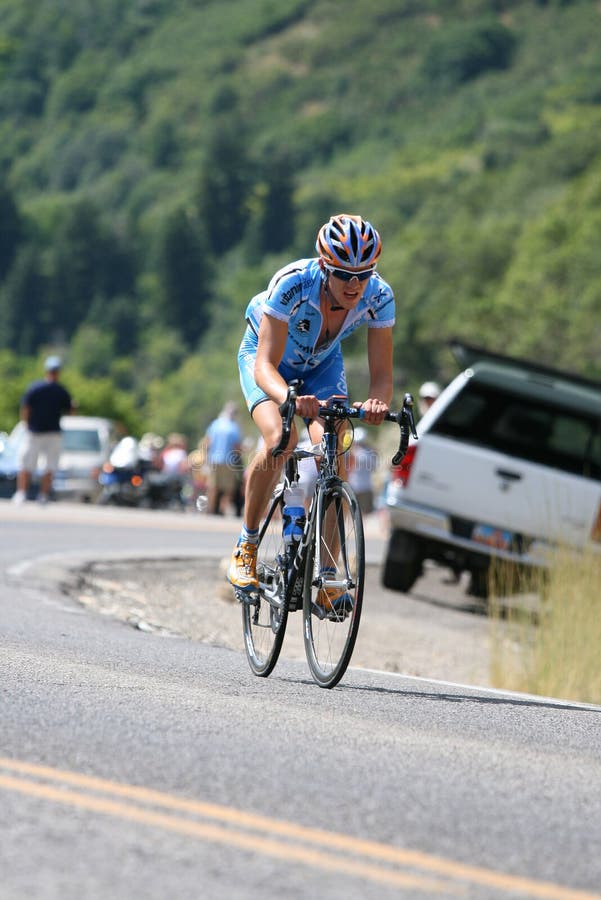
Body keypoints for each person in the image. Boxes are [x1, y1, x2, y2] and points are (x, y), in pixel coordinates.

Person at [228, 213, 395, 616]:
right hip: (268, 362)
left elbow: (383, 376)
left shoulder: (379, 295)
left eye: (364, 273)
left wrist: (376, 402)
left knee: (337, 451)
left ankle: (327, 574)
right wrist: (289, 396)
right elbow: (265, 365)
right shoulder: (292, 284)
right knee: (280, 440)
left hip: (320, 363)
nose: (355, 285)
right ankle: (246, 547)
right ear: (324, 266)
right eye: (343, 274)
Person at [13, 355, 74, 504]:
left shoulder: (41, 388)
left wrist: (26, 423)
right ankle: (25, 493)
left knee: (46, 466)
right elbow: (71, 410)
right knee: (29, 464)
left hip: (48, 432)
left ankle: (39, 495)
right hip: (39, 432)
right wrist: (27, 424)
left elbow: (25, 407)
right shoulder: (56, 390)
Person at [205, 402, 243, 515]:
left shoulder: (215, 424)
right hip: (228, 460)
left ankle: (211, 510)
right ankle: (221, 509)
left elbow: (208, 442)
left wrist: (206, 458)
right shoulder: (234, 427)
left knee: (213, 486)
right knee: (229, 488)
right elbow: (237, 447)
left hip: (214, 459)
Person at [346, 427, 378, 515]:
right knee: (364, 514)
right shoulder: (372, 453)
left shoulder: (353, 453)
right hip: (367, 486)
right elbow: (374, 469)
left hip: (353, 486)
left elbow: (348, 469)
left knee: (353, 513)